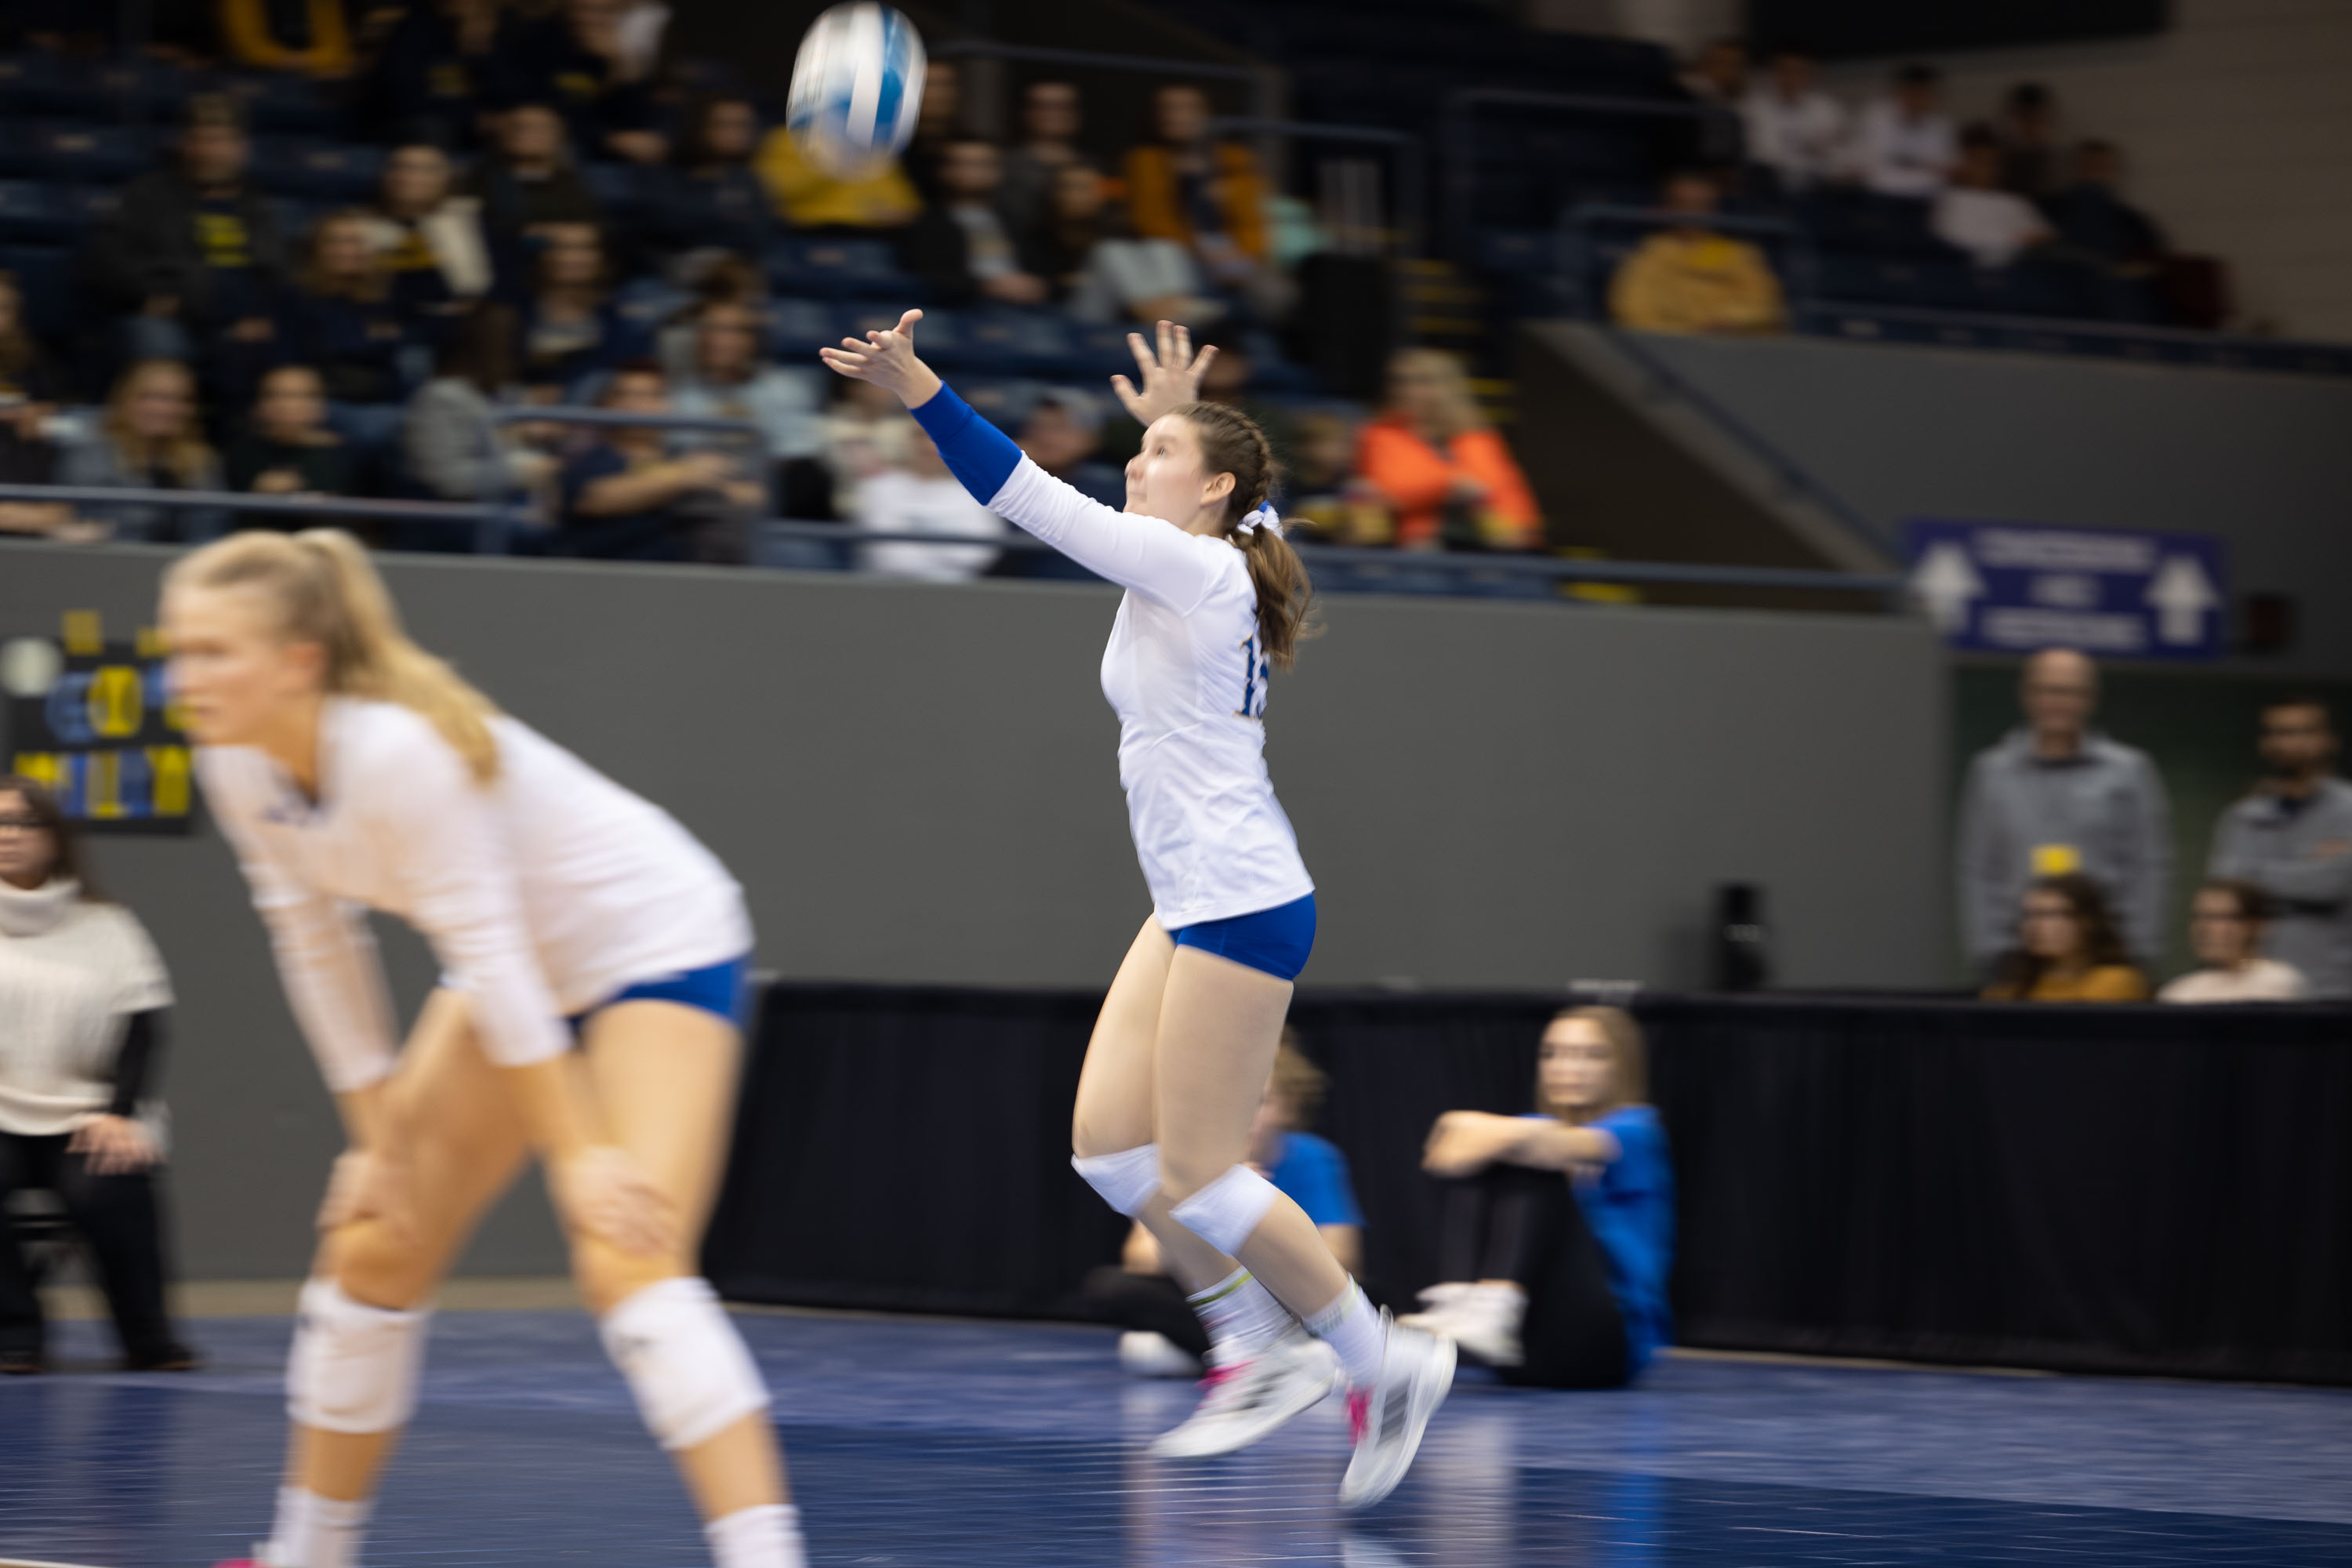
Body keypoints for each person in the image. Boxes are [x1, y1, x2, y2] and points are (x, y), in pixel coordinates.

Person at [821, 314, 1454, 1508]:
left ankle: (1385, 1359)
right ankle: (1256, 1348)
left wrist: (921, 390)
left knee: (1210, 1177)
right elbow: (1151, 499)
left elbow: (1030, 500)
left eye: (1157, 454)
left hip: (1240, 898)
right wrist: (1170, 419)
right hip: (1190, 897)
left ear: (1214, 490)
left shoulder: (1200, 565)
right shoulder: (1201, 552)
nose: (1132, 463)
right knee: (1113, 1152)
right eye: (1136, 449)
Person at [164, 531, 802, 1568]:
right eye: (177, 651)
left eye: (211, 653)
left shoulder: (397, 752)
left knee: (624, 1256)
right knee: (373, 1242)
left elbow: (496, 962)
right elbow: (315, 940)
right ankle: (305, 1555)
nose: (183, 676)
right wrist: (374, 1142)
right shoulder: (234, 761)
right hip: (520, 974)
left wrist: (584, 1154)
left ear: (297, 661)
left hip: (655, 944)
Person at [0, 775, 197, 1377]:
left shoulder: (107, 925)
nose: (8, 835)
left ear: (56, 837)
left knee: (105, 1188)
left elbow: (144, 1029)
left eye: (24, 821)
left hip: (89, 1112)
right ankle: (16, 1335)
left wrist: (119, 1112)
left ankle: (148, 1338)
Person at [1403, 1007, 1672, 1388]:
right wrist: (1480, 1135)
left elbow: (1535, 1143)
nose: (1568, 1068)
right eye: (1554, 1054)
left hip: (1606, 1344)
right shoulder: (1534, 1126)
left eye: (1591, 1056)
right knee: (1509, 1149)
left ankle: (1494, 1304)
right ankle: (1463, 1304)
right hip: (1518, 1350)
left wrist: (1463, 1123)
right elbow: (1445, 1159)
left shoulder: (1638, 1130)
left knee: (1532, 1151)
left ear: (1622, 1066)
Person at [1085, 1035, 1362, 1377]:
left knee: (1365, 1295)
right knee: (1112, 1288)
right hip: (1220, 1304)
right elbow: (1140, 1258)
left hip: (1290, 1299)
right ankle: (1273, 1356)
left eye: (1258, 1102)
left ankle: (1243, 1355)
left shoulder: (1312, 1157)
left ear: (1287, 1108)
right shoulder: (1180, 1163)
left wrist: (1256, 1212)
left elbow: (1341, 1260)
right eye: (1227, 1103)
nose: (1242, 1117)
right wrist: (1205, 1214)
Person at [1956, 648, 2170, 974]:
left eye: (2072, 691)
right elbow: (1977, 866)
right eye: (2048, 690)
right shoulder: (1991, 771)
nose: (2059, 701)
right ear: (2027, 696)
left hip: (2105, 956)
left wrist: (2139, 950)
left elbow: (2148, 865)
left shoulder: (2129, 771)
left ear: (2091, 699)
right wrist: (1988, 949)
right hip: (2016, 955)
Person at [79, 95, 287, 372]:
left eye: (219, 141)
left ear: (241, 148)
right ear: (184, 144)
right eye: (200, 140)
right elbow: (104, 258)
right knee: (158, 342)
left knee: (285, 349)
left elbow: (276, 271)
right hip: (172, 317)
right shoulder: (147, 194)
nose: (208, 151)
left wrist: (261, 315)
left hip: (239, 321)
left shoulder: (256, 205)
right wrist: (149, 295)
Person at [2206, 696, 2352, 1000]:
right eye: (2276, 733)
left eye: (2301, 732)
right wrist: (2307, 870)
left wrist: (2254, 873)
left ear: (2329, 741)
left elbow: (2330, 885)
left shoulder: (2348, 810)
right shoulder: (2242, 816)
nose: (2286, 742)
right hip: (2251, 985)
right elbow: (2226, 892)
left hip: (2332, 986)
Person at [560, 360, 760, 561]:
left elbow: (751, 496)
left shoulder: (684, 455)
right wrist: (683, 476)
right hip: (612, 574)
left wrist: (725, 489)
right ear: (609, 404)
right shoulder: (594, 459)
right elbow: (592, 497)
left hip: (692, 574)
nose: (635, 405)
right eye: (625, 395)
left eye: (651, 396)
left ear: (666, 404)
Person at [1354, 347, 1541, 552]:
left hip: (1495, 539)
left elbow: (1496, 487)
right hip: (1417, 542)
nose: (1407, 389)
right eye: (1400, 381)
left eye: (1423, 381)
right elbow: (1391, 488)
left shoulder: (1477, 435)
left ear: (1449, 387)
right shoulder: (1380, 432)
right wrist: (1451, 484)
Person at [404, 301, 561, 503]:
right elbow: (447, 478)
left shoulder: (509, 394)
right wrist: (526, 469)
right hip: (465, 512)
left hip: (521, 500)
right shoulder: (441, 397)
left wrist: (541, 438)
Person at [1123, 86, 1269, 302]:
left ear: (1205, 115)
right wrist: (1200, 249)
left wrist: (1243, 252)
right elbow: (1151, 222)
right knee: (1164, 254)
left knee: (1269, 292)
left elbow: (1253, 219)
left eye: (1186, 108)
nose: (1174, 116)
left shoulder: (1236, 159)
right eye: (1167, 109)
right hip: (1178, 250)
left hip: (1233, 249)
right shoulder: (1144, 160)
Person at [58, 361, 227, 543]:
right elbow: (85, 521)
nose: (167, 409)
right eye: (153, 397)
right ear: (126, 402)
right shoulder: (91, 455)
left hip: (187, 565)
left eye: (181, 400)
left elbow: (211, 531)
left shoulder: (202, 461)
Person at [668, 299, 823, 495]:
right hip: (699, 491)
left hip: (771, 491)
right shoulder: (683, 393)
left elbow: (795, 458)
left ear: (754, 340)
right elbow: (682, 454)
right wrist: (727, 488)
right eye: (711, 330)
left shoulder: (785, 389)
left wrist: (749, 484)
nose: (719, 340)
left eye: (732, 331)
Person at [1043, 165, 1225, 328]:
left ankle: (1174, 304)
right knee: (1109, 252)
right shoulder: (1041, 231)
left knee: (1163, 246)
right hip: (1078, 312)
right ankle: (1164, 313)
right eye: (1072, 188)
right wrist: (1075, 280)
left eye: (1090, 188)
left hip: (1125, 307)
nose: (1079, 195)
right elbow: (1045, 283)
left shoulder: (1108, 225)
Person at [487, 0, 664, 165]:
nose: (587, 19)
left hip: (603, 152)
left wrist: (619, 67)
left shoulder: (615, 51)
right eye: (580, 9)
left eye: (604, 12)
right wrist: (606, 139)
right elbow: (538, 109)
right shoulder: (533, 41)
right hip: (549, 146)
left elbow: (631, 119)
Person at [1610, 169, 1786, 335]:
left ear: (1714, 209)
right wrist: (1685, 334)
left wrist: (1729, 321)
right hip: (1668, 350)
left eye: (1701, 205)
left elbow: (1766, 306)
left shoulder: (1740, 254)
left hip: (1734, 348)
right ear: (1667, 209)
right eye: (1683, 204)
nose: (1692, 212)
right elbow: (1631, 309)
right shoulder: (1650, 252)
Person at [459, 103, 604, 281]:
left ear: (559, 137)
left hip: (571, 263)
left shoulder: (572, 181)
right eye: (518, 126)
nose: (525, 133)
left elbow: (593, 225)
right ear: (501, 133)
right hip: (502, 267)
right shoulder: (477, 179)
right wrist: (540, 235)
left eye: (539, 128)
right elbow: (476, 234)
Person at [902, 140, 1051, 310]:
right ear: (943, 171)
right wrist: (987, 286)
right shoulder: (926, 223)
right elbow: (929, 276)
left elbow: (1045, 270)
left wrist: (1039, 285)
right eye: (963, 164)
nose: (973, 172)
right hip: (961, 308)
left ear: (999, 171)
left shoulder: (1018, 222)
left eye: (983, 165)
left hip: (1030, 308)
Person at [361, 144, 494, 335]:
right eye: (400, 167)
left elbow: (502, 280)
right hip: (386, 327)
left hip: (466, 325)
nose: (410, 177)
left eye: (427, 170)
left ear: (447, 177)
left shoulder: (473, 218)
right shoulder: (358, 223)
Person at [289, 211, 415, 407]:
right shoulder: (298, 295)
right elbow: (312, 351)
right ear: (316, 249)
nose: (345, 251)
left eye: (355, 242)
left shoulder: (387, 293)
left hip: (385, 395)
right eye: (334, 242)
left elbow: (410, 337)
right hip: (322, 398)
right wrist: (373, 337)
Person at [851, 425, 1005, 581]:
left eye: (938, 438)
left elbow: (977, 555)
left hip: (956, 593)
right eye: (921, 436)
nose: (928, 446)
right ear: (908, 441)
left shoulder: (975, 494)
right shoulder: (878, 488)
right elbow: (888, 556)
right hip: (886, 590)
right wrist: (945, 547)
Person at [519, 222, 648, 395]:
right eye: (561, 248)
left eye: (586, 248)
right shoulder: (513, 315)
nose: (573, 257)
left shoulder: (622, 321)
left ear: (602, 257)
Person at [652, 96, 779, 270]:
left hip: (745, 269)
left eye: (743, 126)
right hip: (680, 270)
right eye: (724, 125)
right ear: (698, 127)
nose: (736, 134)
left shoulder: (746, 177)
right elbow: (671, 229)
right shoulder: (664, 175)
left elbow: (761, 232)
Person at [1981, 874, 2151, 1001]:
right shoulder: (2011, 985)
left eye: (2050, 914)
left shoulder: (2116, 981)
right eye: (2028, 915)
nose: (2034, 925)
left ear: (2087, 922)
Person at [226, 365, 361, 524]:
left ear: (322, 405)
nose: (289, 405)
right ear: (259, 405)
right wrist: (259, 495)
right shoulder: (241, 453)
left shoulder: (346, 455)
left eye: (304, 396)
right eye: (277, 395)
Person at [360, 0, 497, 147]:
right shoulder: (412, 31)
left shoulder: (504, 28)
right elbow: (405, 98)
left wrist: (480, 52)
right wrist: (471, 119)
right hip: (416, 122)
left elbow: (511, 93)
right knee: (431, 128)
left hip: (486, 121)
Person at [2159, 881, 2308, 1004]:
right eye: (2199, 917)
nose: (2204, 928)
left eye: (2221, 917)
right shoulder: (2179, 990)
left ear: (2256, 925)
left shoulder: (2279, 983)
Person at [1933, 129, 2053, 269]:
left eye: (1991, 162)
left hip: (2018, 271)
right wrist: (2017, 239)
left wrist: (2027, 240)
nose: (1985, 169)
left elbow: (2044, 233)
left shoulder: (2015, 202)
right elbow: (1956, 239)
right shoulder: (1952, 200)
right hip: (1969, 274)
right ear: (1965, 163)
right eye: (1979, 161)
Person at [1740, 46, 1845, 193]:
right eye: (1784, 71)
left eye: (1799, 72)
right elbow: (1764, 154)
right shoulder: (1754, 108)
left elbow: (1833, 152)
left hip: (1820, 183)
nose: (1791, 78)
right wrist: (1808, 153)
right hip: (1773, 183)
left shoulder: (1825, 108)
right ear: (1773, 74)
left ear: (1808, 76)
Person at [1847, 64, 1957, 199]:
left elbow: (1948, 168)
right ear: (1900, 92)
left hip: (1924, 196)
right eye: (1914, 93)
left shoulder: (1941, 126)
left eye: (1926, 94)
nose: (1919, 100)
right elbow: (1859, 162)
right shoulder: (1875, 116)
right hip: (1880, 195)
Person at [1000, 80, 1087, 238]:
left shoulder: (1094, 166)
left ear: (1077, 113)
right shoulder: (1002, 165)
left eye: (1062, 107)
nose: (1052, 115)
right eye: (1042, 106)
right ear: (1025, 113)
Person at [1017, 387, 1123, 509]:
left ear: (1091, 438)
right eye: (1037, 426)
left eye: (1059, 428)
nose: (1045, 437)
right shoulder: (1011, 480)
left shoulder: (1109, 489)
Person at [217, 0, 351, 76]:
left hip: (313, 76)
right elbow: (249, 49)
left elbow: (335, 50)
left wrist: (298, 63)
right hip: (257, 76)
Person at [1996, 83, 2061, 198]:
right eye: (2026, 119)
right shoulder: (1999, 161)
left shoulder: (2053, 161)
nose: (2031, 127)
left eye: (2038, 119)